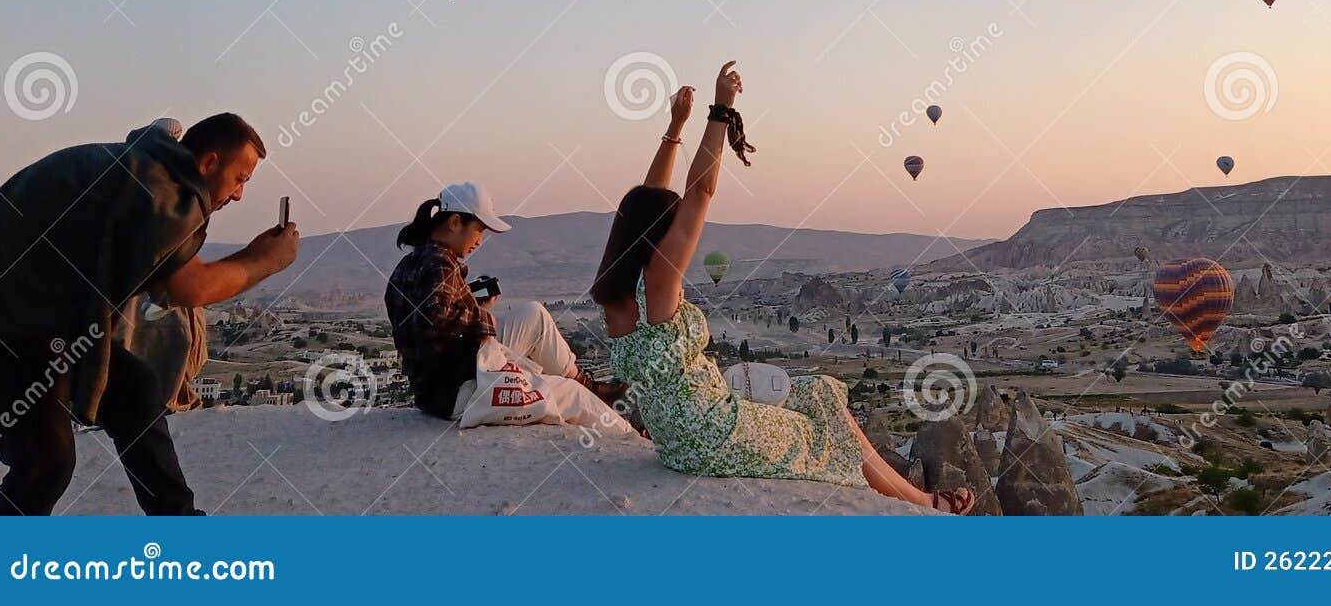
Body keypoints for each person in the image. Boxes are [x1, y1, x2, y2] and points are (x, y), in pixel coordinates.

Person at [593, 63, 974, 514]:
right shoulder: (659, 285)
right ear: (659, 234)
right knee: (822, 430)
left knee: (817, 391)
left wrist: (675, 128)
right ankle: (925, 502)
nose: (680, 231)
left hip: (676, 441)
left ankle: (919, 497)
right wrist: (721, 111)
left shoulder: (619, 294)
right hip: (713, 432)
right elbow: (700, 192)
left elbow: (646, 202)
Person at [0, 114, 296, 516]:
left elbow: (166, 278)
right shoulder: (159, 191)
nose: (239, 194)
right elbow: (188, 288)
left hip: (49, 323)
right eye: (240, 179)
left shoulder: (149, 170)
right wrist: (267, 261)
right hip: (11, 325)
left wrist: (253, 257)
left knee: (134, 390)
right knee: (46, 460)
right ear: (209, 163)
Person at [384, 182, 626, 431]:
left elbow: (428, 320)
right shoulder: (439, 264)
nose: (480, 240)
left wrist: (472, 303)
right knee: (573, 395)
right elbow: (435, 317)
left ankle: (590, 385)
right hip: (460, 388)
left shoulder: (409, 264)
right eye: (479, 230)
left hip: (438, 387)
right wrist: (481, 316)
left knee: (534, 314)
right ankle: (629, 435)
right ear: (455, 222)